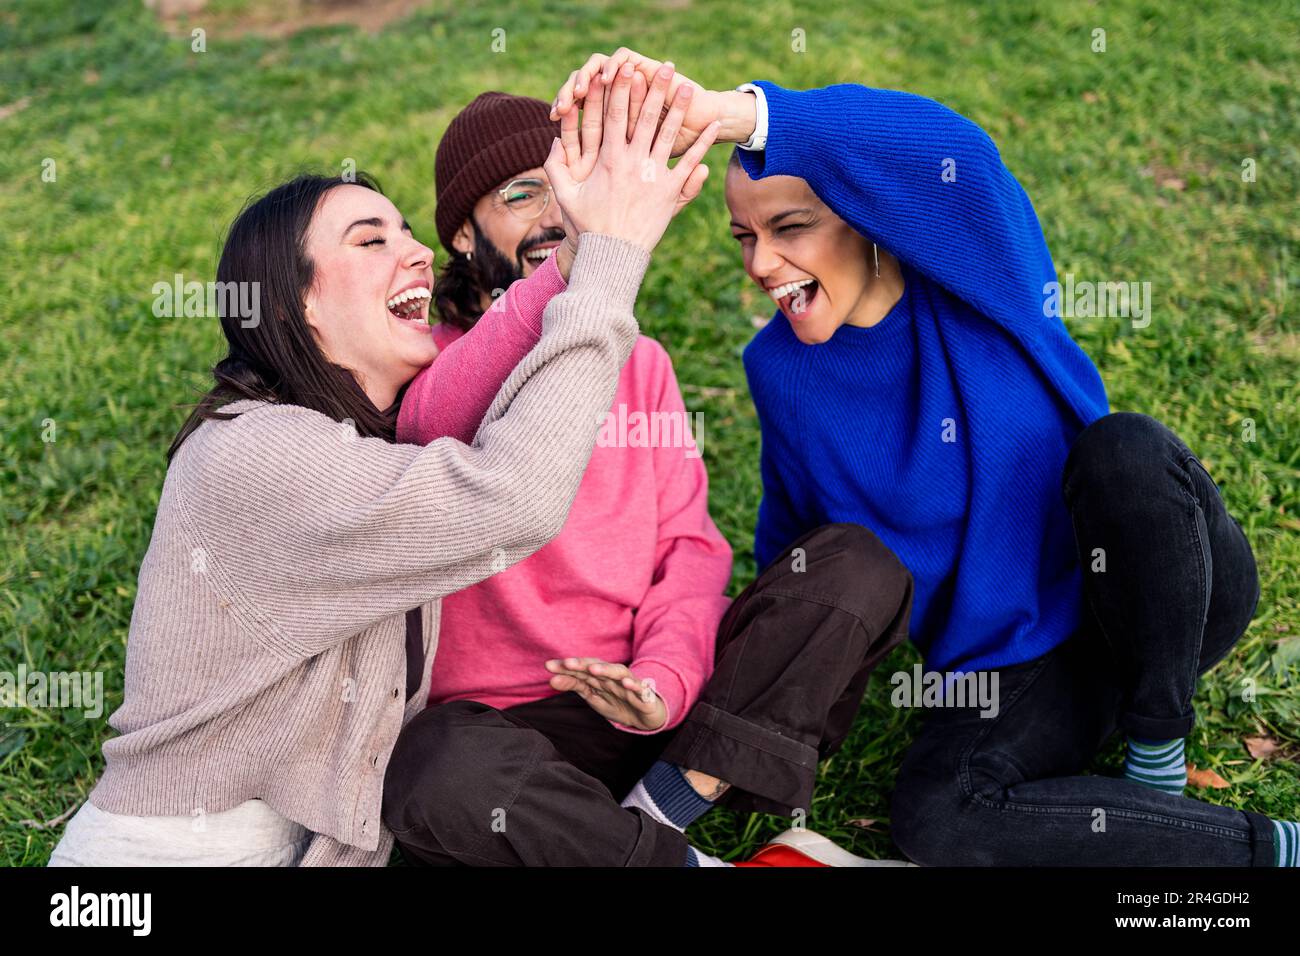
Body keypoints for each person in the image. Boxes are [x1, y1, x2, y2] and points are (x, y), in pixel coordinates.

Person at [551, 48, 1297, 867]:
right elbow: (801, 551)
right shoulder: (781, 371)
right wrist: (721, 708)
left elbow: (957, 152)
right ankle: (1270, 851)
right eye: (745, 237)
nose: (761, 264)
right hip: (1016, 672)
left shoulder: (983, 284)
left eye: (790, 227)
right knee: (938, 816)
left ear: (869, 222)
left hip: (1164, 602)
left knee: (1124, 449)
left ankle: (1156, 763)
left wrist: (742, 115)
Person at [46, 63, 710, 866]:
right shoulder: (255, 453)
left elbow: (481, 366)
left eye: (408, 234)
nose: (419, 256)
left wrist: (579, 255)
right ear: (299, 304)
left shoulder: (367, 440)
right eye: (372, 240)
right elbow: (514, 501)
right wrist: (607, 256)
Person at [381, 63, 916, 867]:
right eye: (521, 195)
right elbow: (432, 422)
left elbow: (688, 550)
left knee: (857, 567)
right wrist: (572, 281)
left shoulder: (642, 362)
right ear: (463, 234)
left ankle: (656, 810)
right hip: (508, 735)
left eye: (570, 186)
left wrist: (662, 682)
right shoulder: (428, 365)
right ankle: (677, 859)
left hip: (666, 718)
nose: (557, 214)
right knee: (431, 767)